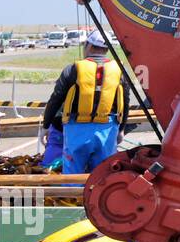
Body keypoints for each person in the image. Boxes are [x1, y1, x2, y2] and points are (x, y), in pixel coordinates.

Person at [41, 31, 128, 174]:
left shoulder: (72, 69)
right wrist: (121, 129)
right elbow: (125, 101)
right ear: (107, 49)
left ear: (88, 45)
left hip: (76, 128)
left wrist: (45, 126)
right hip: (107, 128)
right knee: (103, 175)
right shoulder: (119, 71)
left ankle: (71, 195)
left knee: (72, 174)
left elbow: (56, 99)